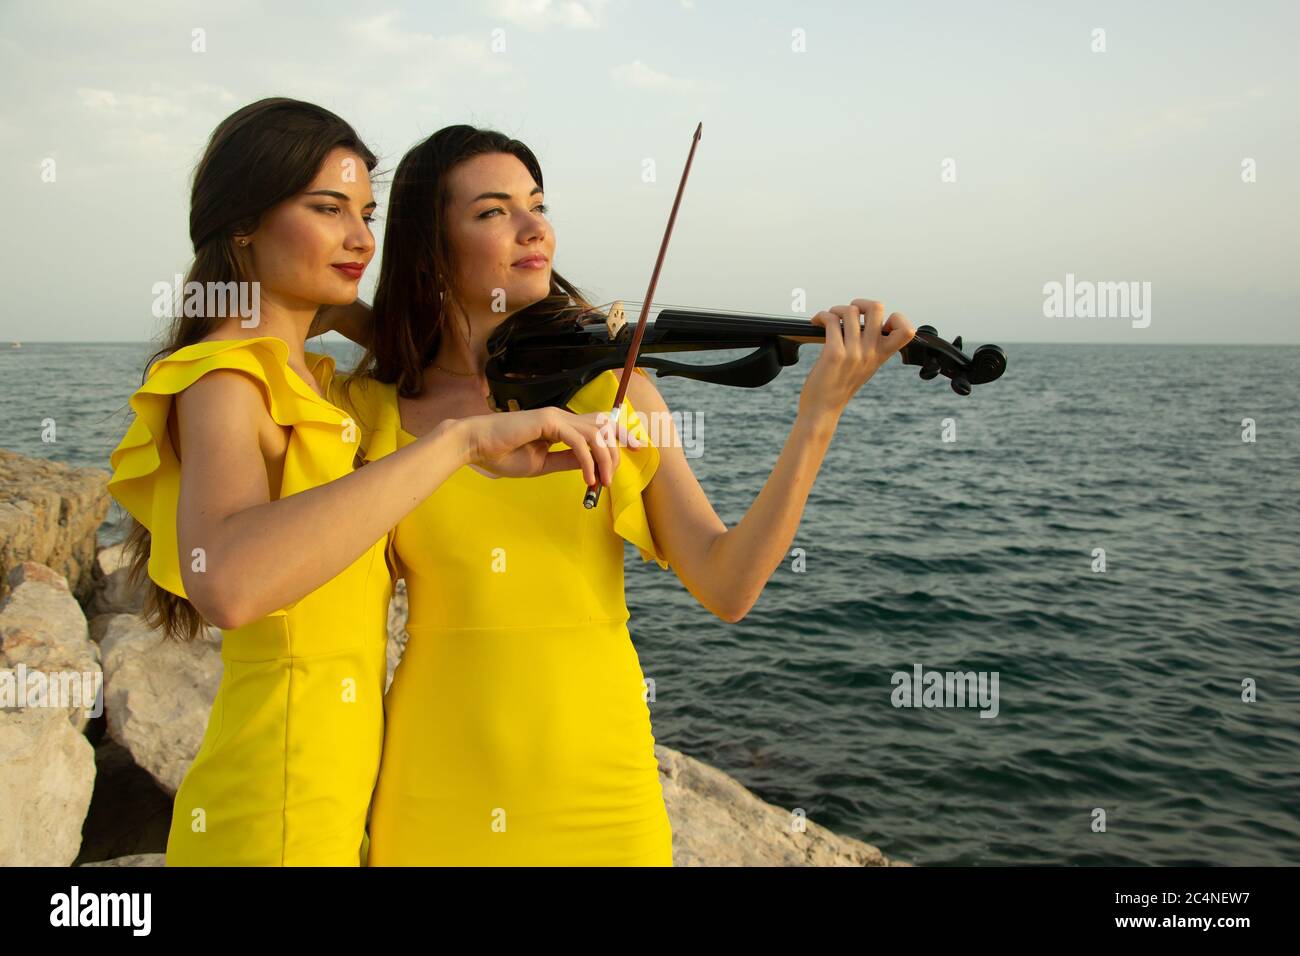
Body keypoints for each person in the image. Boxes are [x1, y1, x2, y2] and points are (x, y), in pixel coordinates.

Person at [320, 124, 917, 865]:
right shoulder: (370, 409)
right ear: (428, 246)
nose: (536, 228)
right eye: (493, 212)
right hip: (436, 790)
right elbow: (273, 315)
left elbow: (728, 584)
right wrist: (360, 316)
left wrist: (818, 415)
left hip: (603, 793)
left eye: (538, 205)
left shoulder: (614, 391)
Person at [106, 100, 627, 866]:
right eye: (327, 209)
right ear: (242, 223)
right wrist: (461, 441)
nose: (360, 239)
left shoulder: (295, 374)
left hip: (327, 801)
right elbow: (229, 583)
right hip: (273, 813)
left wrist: (404, 318)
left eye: (369, 214)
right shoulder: (224, 377)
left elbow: (388, 331)